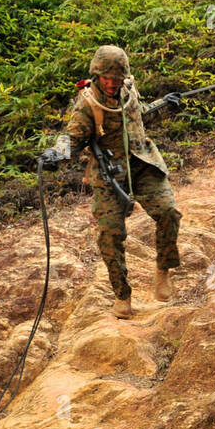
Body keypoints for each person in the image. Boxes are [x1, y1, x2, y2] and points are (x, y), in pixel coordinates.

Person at [60, 45, 182, 318]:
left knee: (169, 212)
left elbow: (140, 114)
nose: (113, 84)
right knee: (111, 235)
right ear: (97, 75)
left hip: (143, 163)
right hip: (109, 174)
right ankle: (122, 294)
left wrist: (165, 105)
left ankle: (163, 270)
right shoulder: (88, 102)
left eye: (117, 78)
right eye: (108, 79)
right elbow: (72, 138)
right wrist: (55, 153)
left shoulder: (128, 90)